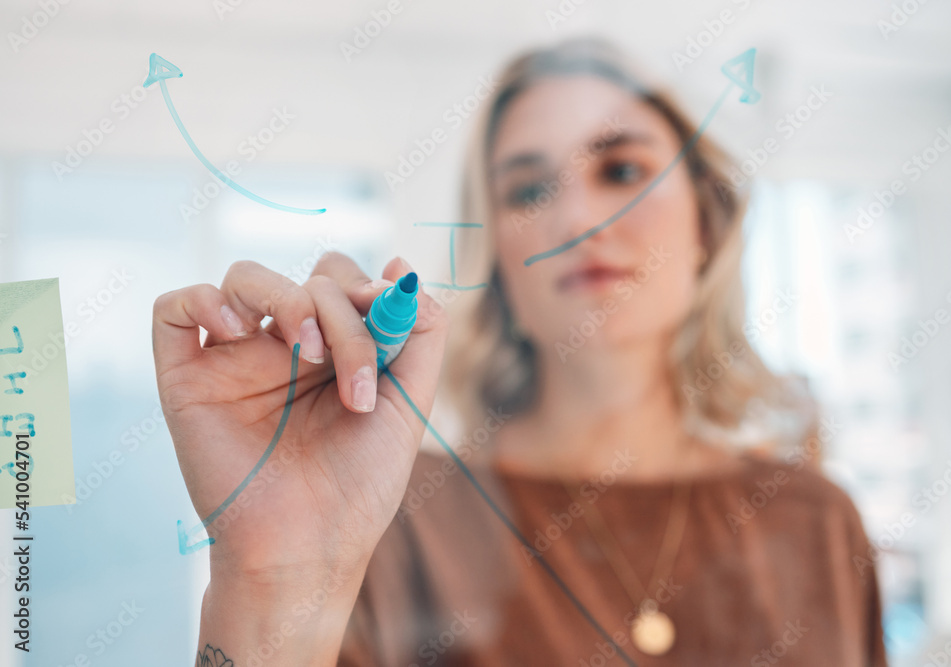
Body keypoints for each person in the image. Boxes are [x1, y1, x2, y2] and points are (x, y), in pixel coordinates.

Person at [153, 37, 887, 666]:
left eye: (622, 170)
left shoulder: (818, 523)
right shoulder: (387, 513)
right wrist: (267, 577)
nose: (575, 214)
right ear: (502, 259)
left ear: (706, 223)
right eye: (530, 189)